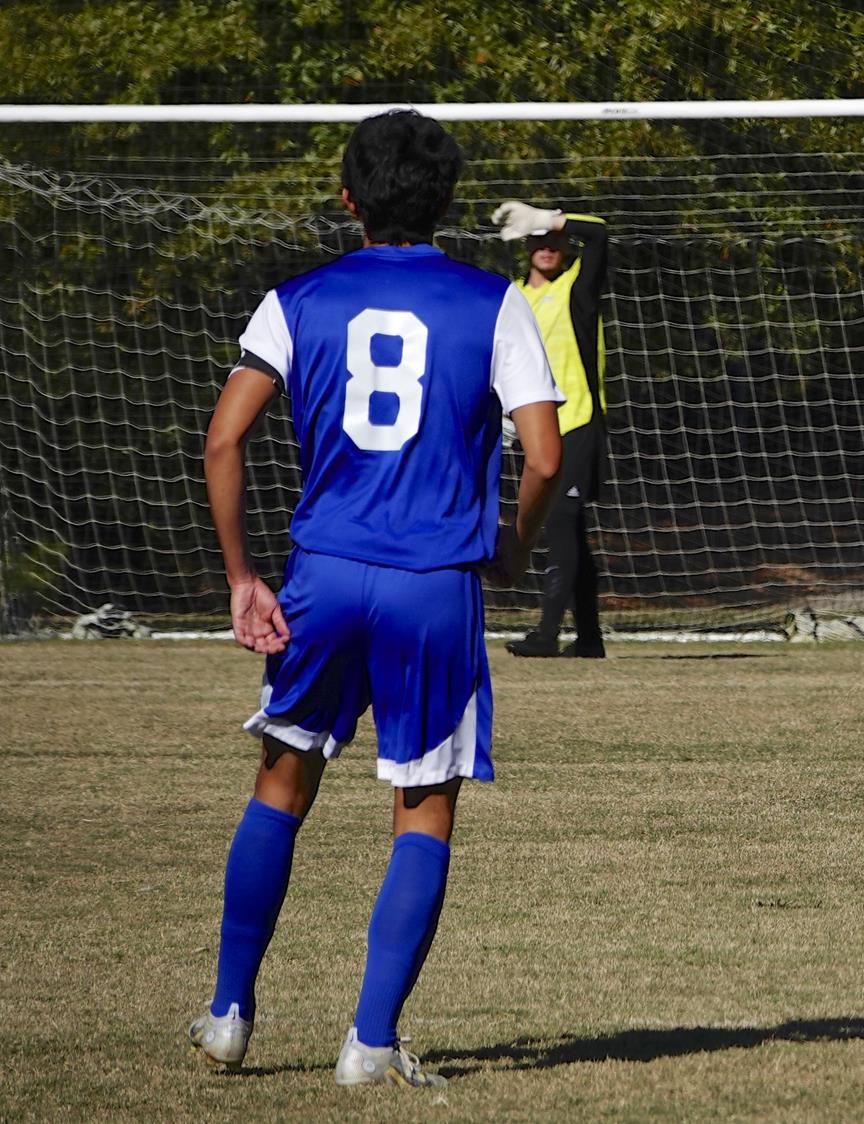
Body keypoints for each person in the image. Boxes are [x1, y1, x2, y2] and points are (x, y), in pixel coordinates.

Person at [187, 109, 564, 1088]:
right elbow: (546, 454)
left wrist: (241, 577)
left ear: (347, 197)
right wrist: (511, 549)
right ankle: (369, 1041)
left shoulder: (294, 299)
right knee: (423, 804)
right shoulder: (494, 303)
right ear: (446, 202)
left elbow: (222, 440)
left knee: (280, 781)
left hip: (322, 573)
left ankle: (229, 1012)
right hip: (434, 583)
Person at [492, 200, 612, 658]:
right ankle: (591, 639)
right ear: (525, 248)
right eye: (538, 240)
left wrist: (547, 218)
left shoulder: (574, 292)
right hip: (532, 429)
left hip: (576, 423)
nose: (546, 247)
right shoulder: (512, 298)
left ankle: (546, 634)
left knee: (560, 524)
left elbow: (600, 233)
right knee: (570, 530)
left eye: (553, 240)